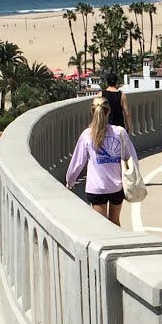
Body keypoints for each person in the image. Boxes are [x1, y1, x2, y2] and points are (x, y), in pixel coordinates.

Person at [65, 96, 138, 226]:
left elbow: (77, 162)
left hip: (96, 188)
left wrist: (70, 182)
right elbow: (131, 158)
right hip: (117, 186)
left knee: (102, 226)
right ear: (109, 111)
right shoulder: (120, 132)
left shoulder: (87, 134)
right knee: (115, 223)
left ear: (92, 112)